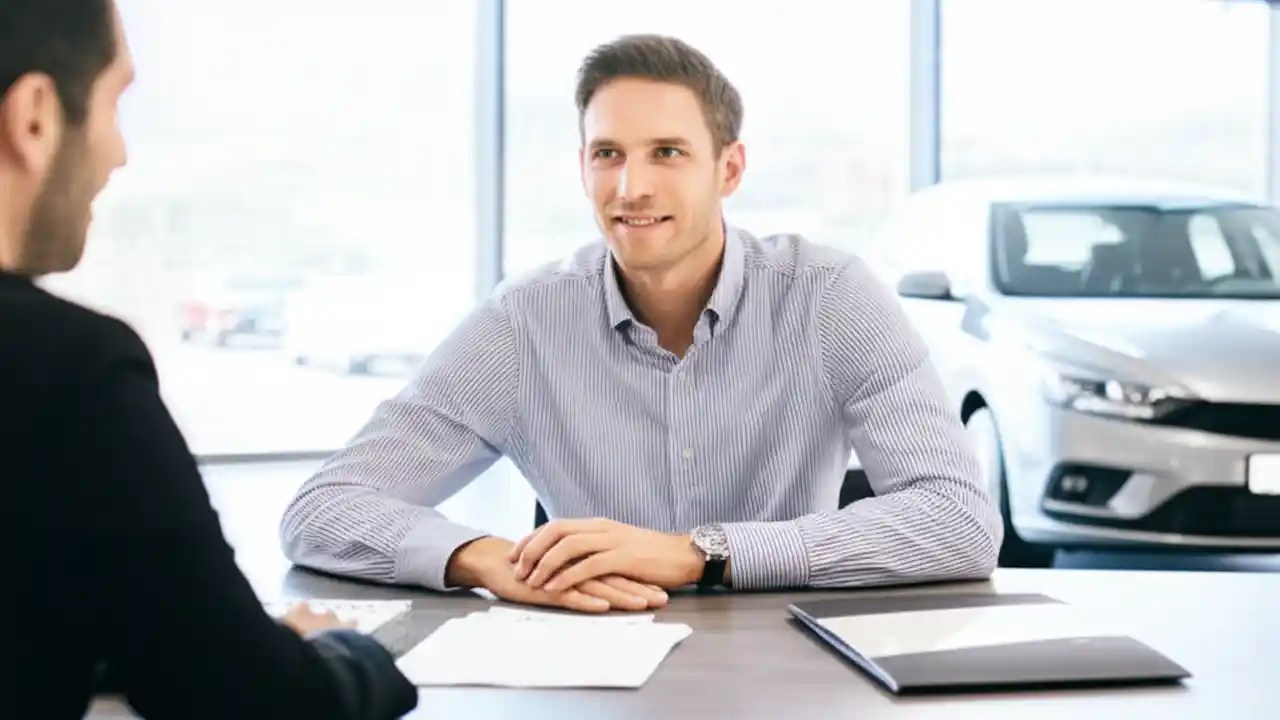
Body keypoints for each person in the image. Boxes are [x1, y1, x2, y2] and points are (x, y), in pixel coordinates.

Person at [281, 34, 1001, 613]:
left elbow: (959, 521)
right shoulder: (523, 323)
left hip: (791, 665)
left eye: (667, 153)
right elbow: (326, 508)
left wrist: (701, 554)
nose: (632, 187)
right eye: (608, 155)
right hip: (591, 663)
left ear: (729, 169)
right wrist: (488, 558)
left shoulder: (830, 298)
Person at [3, 2, 417, 717]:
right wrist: (353, 655)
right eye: (114, 102)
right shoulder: (68, 372)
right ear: (36, 117)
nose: (118, 152)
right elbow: (252, 700)